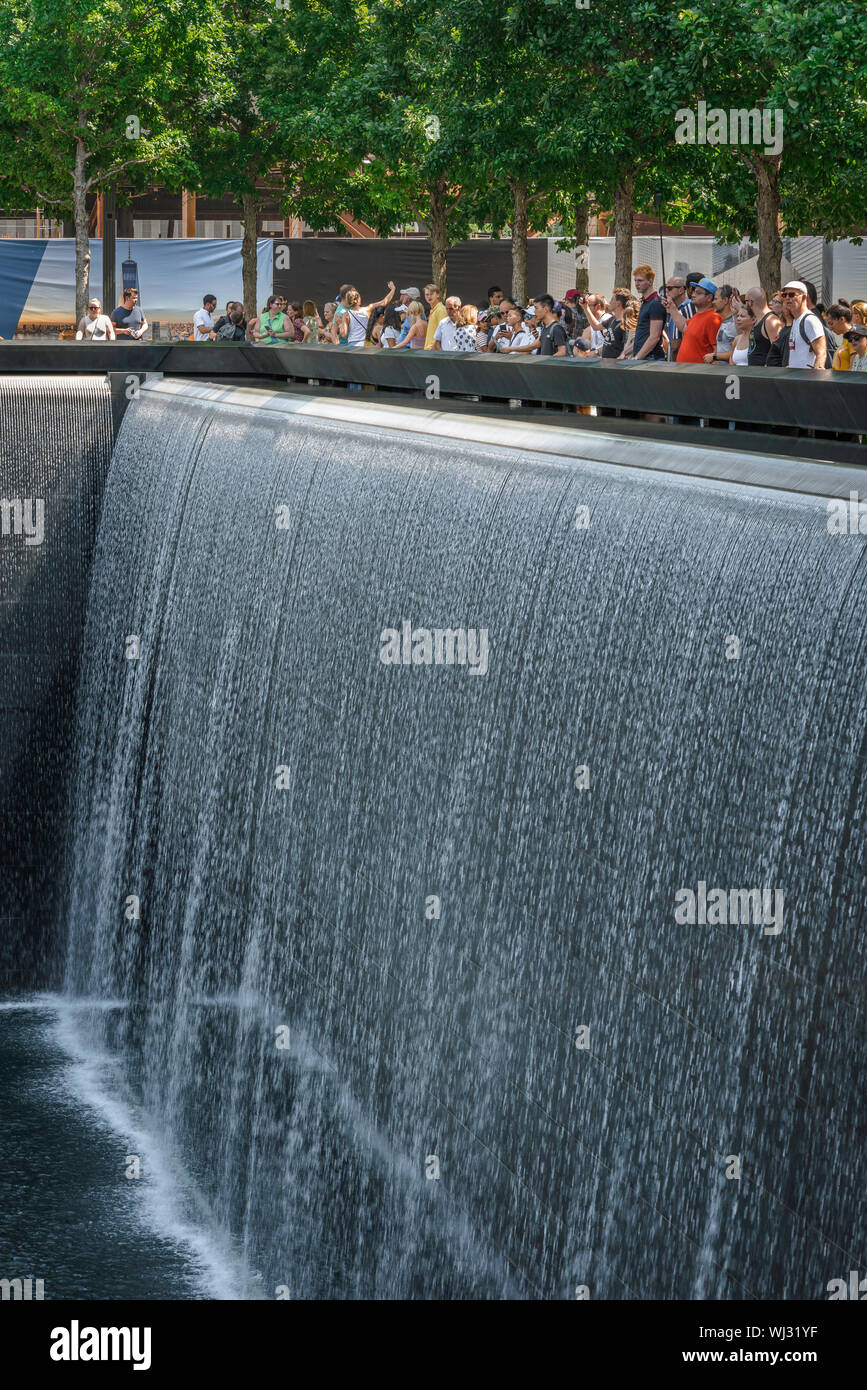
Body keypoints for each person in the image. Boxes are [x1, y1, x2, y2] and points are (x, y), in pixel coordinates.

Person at [671, 278, 722, 364]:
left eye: (698, 293)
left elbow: (717, 351)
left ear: (709, 297)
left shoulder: (713, 318)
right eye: (694, 291)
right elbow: (684, 327)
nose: (693, 295)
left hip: (698, 374)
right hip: (687, 373)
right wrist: (671, 307)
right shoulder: (698, 315)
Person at [780, 280, 826, 368]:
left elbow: (821, 353)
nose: (787, 298)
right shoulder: (796, 320)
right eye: (784, 295)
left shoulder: (810, 320)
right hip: (796, 378)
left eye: (792, 294)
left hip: (807, 379)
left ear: (804, 297)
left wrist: (815, 379)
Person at [332, 282, 395, 346]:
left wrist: (340, 324)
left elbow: (343, 335)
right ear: (357, 299)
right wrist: (393, 289)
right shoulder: (367, 309)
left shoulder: (346, 315)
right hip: (365, 344)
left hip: (353, 345)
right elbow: (384, 302)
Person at [630, 265, 666, 360]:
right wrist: (624, 353)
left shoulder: (655, 303)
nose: (636, 284)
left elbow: (654, 338)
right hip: (643, 358)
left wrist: (637, 358)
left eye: (640, 280)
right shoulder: (646, 301)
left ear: (650, 281)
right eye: (635, 281)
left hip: (651, 358)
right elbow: (642, 336)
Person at [658, 276, 695, 360]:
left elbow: (676, 344)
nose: (666, 291)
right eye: (666, 287)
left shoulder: (689, 306)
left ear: (681, 290)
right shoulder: (673, 308)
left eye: (670, 288)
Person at [744, 287, 782, 365]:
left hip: (765, 375)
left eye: (746, 302)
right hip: (755, 374)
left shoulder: (771, 321)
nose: (745, 305)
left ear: (750, 302)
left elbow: (779, 352)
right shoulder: (758, 320)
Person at [704, 284, 736, 363]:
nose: (713, 302)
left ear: (725, 300)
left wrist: (714, 356)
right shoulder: (725, 321)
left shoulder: (733, 324)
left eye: (715, 299)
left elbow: (736, 352)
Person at [827, 305, 855, 370]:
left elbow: (853, 368)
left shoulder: (854, 338)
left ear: (842, 319)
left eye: (831, 323)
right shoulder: (846, 338)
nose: (830, 328)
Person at [729, 299, 754, 366]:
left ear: (753, 320)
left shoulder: (756, 338)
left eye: (742, 316)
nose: (738, 319)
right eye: (738, 316)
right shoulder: (736, 339)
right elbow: (731, 362)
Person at [423, 283, 447, 349]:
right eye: (427, 294)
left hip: (434, 351)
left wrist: (433, 348)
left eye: (431, 294)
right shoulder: (434, 310)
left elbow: (443, 332)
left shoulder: (441, 309)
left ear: (438, 295)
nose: (429, 296)